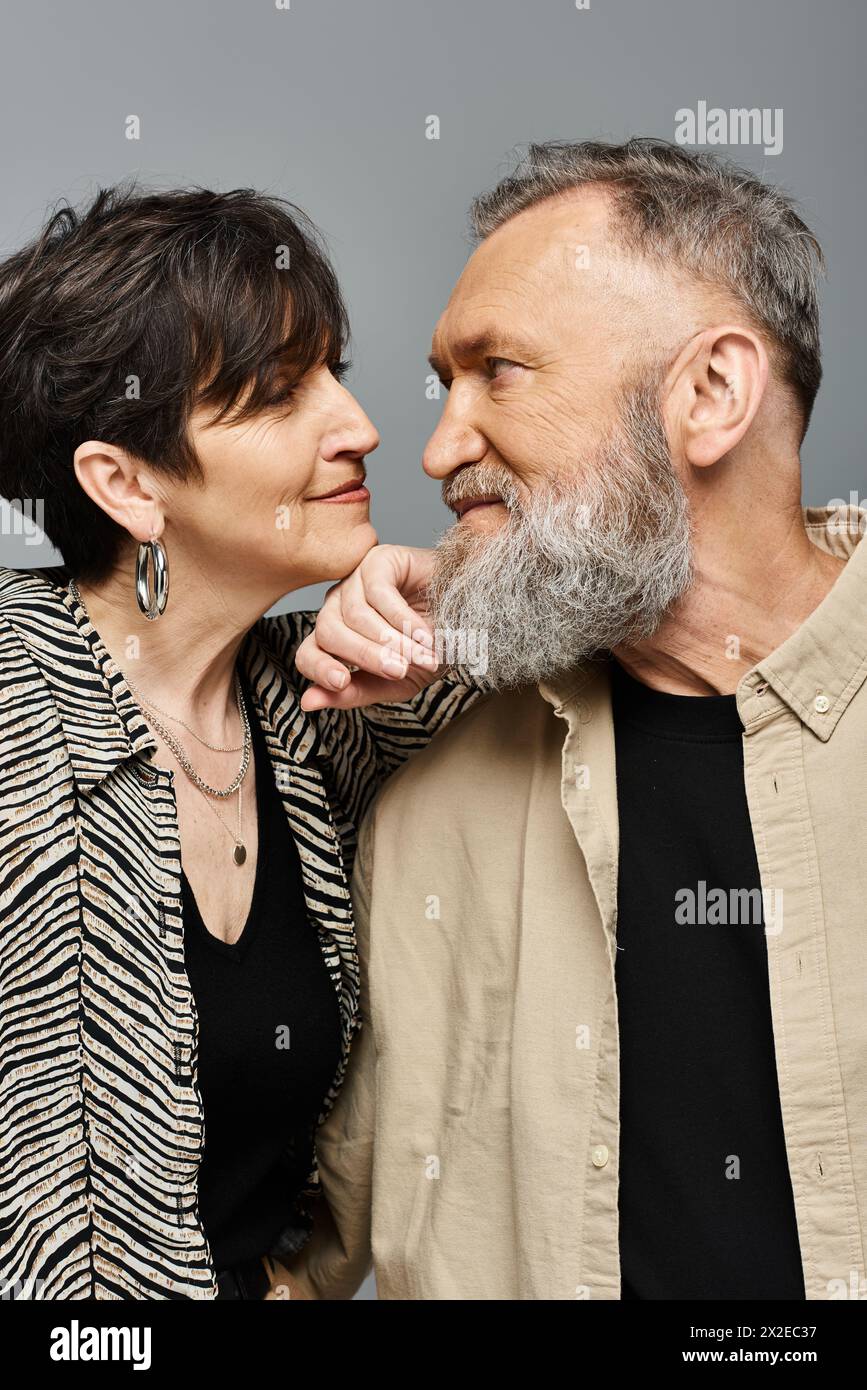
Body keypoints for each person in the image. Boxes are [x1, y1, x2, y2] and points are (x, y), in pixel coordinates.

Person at [287, 139, 867, 1299]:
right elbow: (297, 1254)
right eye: (443, 385)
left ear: (710, 394)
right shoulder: (420, 798)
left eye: (498, 372)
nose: (441, 448)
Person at [0, 182, 483, 1300]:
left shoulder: (320, 710)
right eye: (277, 394)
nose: (358, 427)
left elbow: (644, 622)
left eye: (336, 375)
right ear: (125, 484)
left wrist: (445, 592)